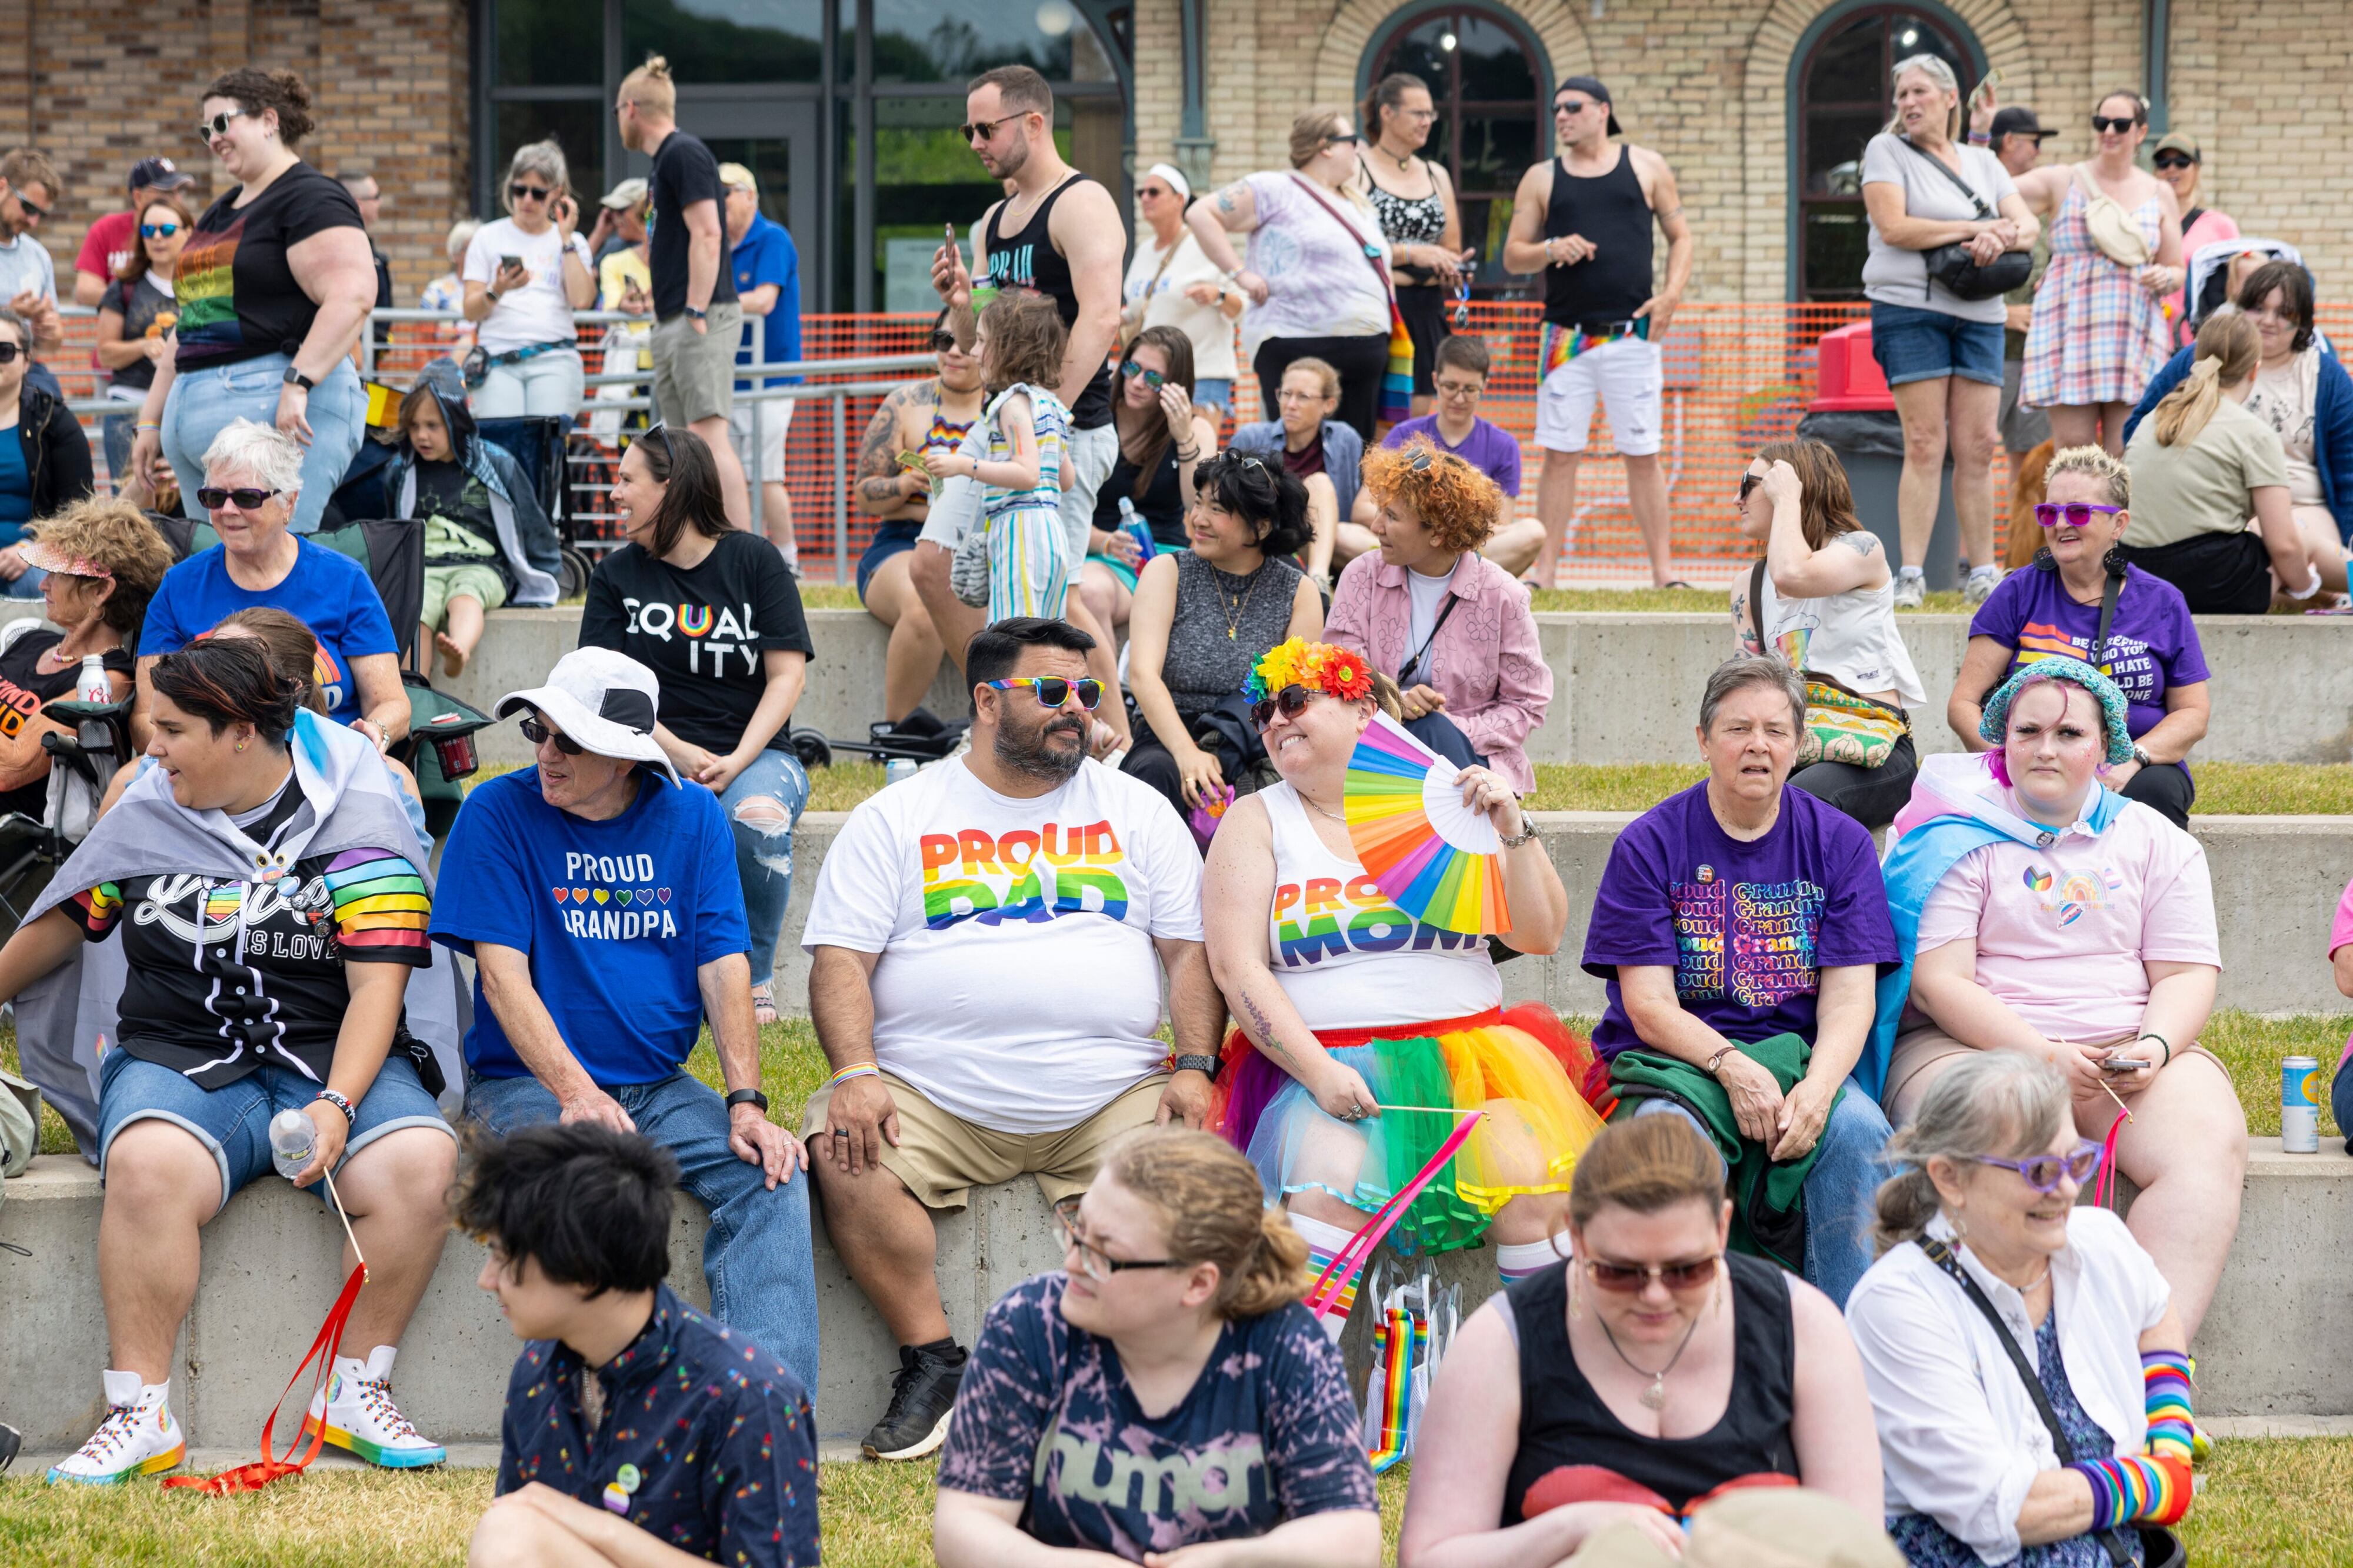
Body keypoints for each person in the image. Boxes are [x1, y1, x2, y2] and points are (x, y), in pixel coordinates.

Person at [0, 636, 453, 1482]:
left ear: (241, 731)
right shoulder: (148, 803)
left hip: (333, 1056)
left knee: (423, 1164)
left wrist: (340, 1105)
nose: (152, 746)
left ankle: (356, 1386)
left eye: (171, 729)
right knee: (145, 1167)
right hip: (180, 1053)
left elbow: (376, 994)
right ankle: (140, 1409)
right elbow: (68, 919)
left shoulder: (359, 813)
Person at [801, 616, 1219, 1460]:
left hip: (1114, 1092)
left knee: (1194, 1179)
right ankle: (933, 1361)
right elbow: (841, 960)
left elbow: (1187, 952)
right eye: (1053, 692)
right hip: (933, 1092)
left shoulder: (1138, 809)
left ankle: (1130, 1379)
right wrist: (854, 1068)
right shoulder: (899, 816)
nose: (1077, 709)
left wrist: (1198, 1064)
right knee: (841, 1146)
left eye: (1088, 692)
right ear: (988, 700)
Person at [434, 646, 817, 1393]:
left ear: (625, 754)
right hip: (528, 1085)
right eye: (538, 732)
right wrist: (577, 1093)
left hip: (658, 1083)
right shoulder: (496, 811)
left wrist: (746, 1104)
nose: (545, 753)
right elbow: (502, 978)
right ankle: (618, 1407)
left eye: (567, 741)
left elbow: (724, 963)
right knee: (588, 1181)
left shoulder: (694, 817)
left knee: (771, 1176)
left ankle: (768, 1414)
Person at [1203, 638, 1603, 1335]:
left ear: (1362, 711)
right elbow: (1238, 969)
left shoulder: (1446, 798)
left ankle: (1544, 1391)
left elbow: (1541, 934)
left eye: (1294, 700)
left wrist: (1513, 825)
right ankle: (1298, 1405)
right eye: (1265, 708)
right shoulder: (1259, 818)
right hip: (1319, 1063)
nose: (1273, 720)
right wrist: (1319, 1072)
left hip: (1477, 1063)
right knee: (1327, 1189)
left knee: (1536, 1185)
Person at [1875, 657, 2243, 1341]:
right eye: (2029, 730)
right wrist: (2041, 1054)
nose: (2046, 747)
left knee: (2205, 1143)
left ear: (2104, 748)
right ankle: (2035, 1364)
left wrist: (2155, 1046)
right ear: (2001, 740)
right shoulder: (1955, 835)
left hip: (2126, 1047)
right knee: (2022, 1143)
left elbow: (2185, 972)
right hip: (1974, 1047)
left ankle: (2151, 1365)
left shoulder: (2154, 839)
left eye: (2069, 733)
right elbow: (1940, 981)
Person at [1398, 1115, 1883, 1564]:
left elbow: (1855, 1547)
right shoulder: (1503, 1343)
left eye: (1686, 1270)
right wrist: (1571, 1527)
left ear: (1720, 1231)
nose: (1654, 1295)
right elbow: (1429, 1557)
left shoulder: (1802, 1327)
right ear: (1578, 1238)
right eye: (1618, 1271)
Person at [1582, 655, 1898, 1307]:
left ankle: (1845, 1351)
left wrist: (1816, 1092)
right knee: (1673, 1141)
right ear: (1703, 740)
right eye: (1737, 729)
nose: (1758, 744)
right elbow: (1647, 1005)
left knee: (1860, 1133)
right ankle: (1686, 1330)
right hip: (1681, 1058)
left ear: (1798, 745)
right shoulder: (1648, 843)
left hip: (1800, 1059)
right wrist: (1727, 1064)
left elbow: (1849, 999)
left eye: (1776, 730)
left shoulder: (1840, 842)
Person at [934, 1126, 1381, 1566]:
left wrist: (1228, 1560)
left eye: (1104, 1253)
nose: (1071, 1261)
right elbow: (965, 1528)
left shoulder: (1283, 1344)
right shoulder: (1030, 1326)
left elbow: (1351, 1540)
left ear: (1197, 1283)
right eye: (1076, 1227)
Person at [1847, 1053, 2198, 1565]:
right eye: (2038, 1170)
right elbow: (2003, 1509)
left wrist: (2171, 1439)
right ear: (1951, 1179)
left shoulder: (2100, 1242)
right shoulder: (1896, 1307)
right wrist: (2155, 1483)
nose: (2067, 1189)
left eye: (2075, 1161)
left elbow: (2156, 1316)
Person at [461, 1123, 818, 1567]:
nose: (486, 1281)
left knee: (511, 1536)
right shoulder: (539, 1370)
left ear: (583, 1266)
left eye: (504, 1257)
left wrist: (602, 1529)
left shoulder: (749, 1397)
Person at [581, 424, 811, 1025]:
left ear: (672, 486)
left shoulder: (755, 560)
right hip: (645, 747)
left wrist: (737, 760)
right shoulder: (615, 577)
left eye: (628, 479)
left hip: (756, 751)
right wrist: (677, 750)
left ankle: (753, 976)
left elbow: (786, 677)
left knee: (755, 815)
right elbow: (605, 686)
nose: (615, 493)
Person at [925, 65, 1128, 727]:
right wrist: (959, 302)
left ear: (1033, 123)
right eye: (968, 130)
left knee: (1056, 596)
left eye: (986, 128)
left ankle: (1113, 736)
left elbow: (1102, 318)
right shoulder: (992, 221)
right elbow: (979, 334)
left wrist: (1047, 421)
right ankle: (1005, 712)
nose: (975, 141)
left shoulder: (1081, 203)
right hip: (1001, 424)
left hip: (1066, 428)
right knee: (936, 565)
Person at [129, 69, 376, 538]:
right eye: (206, 131)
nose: (213, 140)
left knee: (271, 568)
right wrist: (150, 422)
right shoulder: (220, 211)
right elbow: (191, 323)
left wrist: (299, 382)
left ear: (269, 120)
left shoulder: (310, 197)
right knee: (220, 581)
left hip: (276, 406)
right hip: (199, 410)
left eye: (222, 123)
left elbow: (353, 294)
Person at [1859, 56, 2040, 609]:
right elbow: (1895, 227)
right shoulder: (1885, 151)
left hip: (1981, 313)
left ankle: (1983, 572)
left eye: (1919, 93)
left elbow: (2028, 225)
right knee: (1924, 442)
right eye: (1901, 96)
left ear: (1949, 99)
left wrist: (2003, 237)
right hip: (1910, 309)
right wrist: (1978, 228)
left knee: (1979, 446)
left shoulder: (1983, 161)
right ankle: (1910, 573)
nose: (1908, 103)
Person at [1949, 445, 2210, 829]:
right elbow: (1964, 704)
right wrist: (2009, 763)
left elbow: (2193, 713)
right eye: (2049, 512)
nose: (2060, 524)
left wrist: (2133, 758)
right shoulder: (2016, 593)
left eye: (2077, 512)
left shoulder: (2162, 601)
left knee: (2156, 791)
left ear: (2118, 524)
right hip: (2038, 758)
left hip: (2131, 766)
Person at [1504, 77, 1695, 589]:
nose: (1562, 116)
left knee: (1643, 452)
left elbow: (1681, 237)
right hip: (1566, 337)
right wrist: (1550, 248)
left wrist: (1672, 295)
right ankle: (1544, 574)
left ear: (1602, 111)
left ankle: (1664, 573)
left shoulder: (1646, 166)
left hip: (1632, 334)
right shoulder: (1542, 178)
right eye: (1557, 110)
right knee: (1560, 454)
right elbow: (1512, 253)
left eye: (1573, 107)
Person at [135, 420, 408, 752]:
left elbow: (392, 704)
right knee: (124, 784)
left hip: (327, 759)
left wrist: (376, 731)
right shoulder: (179, 587)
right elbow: (144, 716)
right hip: (210, 769)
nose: (227, 510)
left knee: (401, 781)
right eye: (215, 497)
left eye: (247, 497)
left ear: (289, 503)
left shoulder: (344, 581)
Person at [1329, 438, 1551, 789]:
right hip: (1373, 742)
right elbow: (1337, 672)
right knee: (1425, 731)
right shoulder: (1361, 576)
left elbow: (1525, 706)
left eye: (1391, 516)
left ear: (1437, 532)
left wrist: (1451, 726)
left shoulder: (1503, 595)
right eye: (1379, 511)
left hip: (1471, 757)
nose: (1376, 527)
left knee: (1435, 730)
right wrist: (1398, 702)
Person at [1728, 440, 1927, 829]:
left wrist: (1788, 499)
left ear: (1792, 487)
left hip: (1873, 753)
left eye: (1749, 484)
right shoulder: (1748, 586)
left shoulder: (1862, 550)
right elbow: (1744, 687)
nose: (1737, 498)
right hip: (1792, 749)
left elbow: (1794, 575)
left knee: (1795, 807)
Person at [2128, 259, 2353, 592]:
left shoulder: (2327, 377)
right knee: (2277, 544)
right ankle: (2312, 590)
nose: (2268, 321)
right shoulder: (2203, 358)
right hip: (2219, 511)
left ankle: (2316, 588)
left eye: (2284, 313)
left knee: (2291, 536)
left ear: (2303, 323)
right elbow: (2141, 427)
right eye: (2258, 308)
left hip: (2301, 506)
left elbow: (2348, 470)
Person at [1122, 448, 1321, 818]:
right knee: (1155, 773)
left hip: (1255, 732)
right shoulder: (1168, 572)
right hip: (1170, 733)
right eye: (1199, 504)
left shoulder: (1297, 591)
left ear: (1260, 526)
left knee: (1286, 783)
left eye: (1217, 509)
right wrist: (1187, 753)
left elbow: (1293, 693)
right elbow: (1142, 676)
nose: (1199, 518)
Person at [1189, 108, 1399, 445]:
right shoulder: (1275, 187)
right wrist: (1240, 275)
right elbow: (1201, 213)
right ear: (1326, 146)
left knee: (1354, 461)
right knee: (1293, 462)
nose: (1359, 150)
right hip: (1295, 339)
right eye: (1352, 142)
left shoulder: (1356, 201)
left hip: (1364, 349)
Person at [615, 55, 754, 532]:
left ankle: (744, 559)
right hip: (675, 317)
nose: (617, 121)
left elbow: (709, 234)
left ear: (631, 108)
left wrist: (695, 308)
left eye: (617, 111)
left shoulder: (683, 153)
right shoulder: (664, 164)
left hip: (702, 315)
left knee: (709, 438)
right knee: (683, 448)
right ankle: (696, 550)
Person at [2121, 308, 2327, 611]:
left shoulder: (2154, 419)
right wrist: (2305, 587)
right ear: (2254, 370)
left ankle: (2329, 594)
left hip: (2135, 575)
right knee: (2297, 540)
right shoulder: (2254, 433)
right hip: (2206, 583)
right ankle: (2332, 594)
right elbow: (2284, 545)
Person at [2015, 92, 2186, 456]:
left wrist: (2165, 278)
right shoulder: (2063, 180)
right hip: (2071, 328)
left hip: (2132, 331)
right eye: (2101, 123)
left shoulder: (2159, 193)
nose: (2109, 131)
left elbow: (2177, 269)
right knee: (2074, 451)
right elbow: (1994, 189)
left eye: (2120, 125)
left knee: (2126, 449)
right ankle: (2077, 515)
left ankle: (2120, 517)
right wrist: (1981, 135)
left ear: (2140, 133)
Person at [381, 362, 564, 678]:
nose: (421, 436)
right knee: (416, 610)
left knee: (468, 594)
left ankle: (459, 648)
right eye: (414, 426)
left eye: (433, 426)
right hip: (425, 568)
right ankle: (416, 686)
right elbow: (394, 526)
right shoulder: (401, 470)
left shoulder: (497, 463)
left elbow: (531, 520)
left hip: (483, 566)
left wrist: (545, 568)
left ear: (458, 421)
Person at [0, 500, 170, 818]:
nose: (42, 584)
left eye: (57, 574)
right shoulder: (32, 641)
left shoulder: (107, 681)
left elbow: (10, 767)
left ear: (100, 591)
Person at [852, 309, 982, 725]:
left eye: (965, 342)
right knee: (926, 602)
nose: (954, 352)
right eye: (944, 341)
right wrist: (906, 486)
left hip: (983, 547)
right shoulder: (905, 404)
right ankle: (895, 736)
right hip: (902, 543)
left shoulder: (1007, 408)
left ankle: (995, 729)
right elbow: (864, 495)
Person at [925, 289, 1075, 625]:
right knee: (1046, 632)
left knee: (1011, 631)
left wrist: (963, 465)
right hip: (1051, 532)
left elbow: (1027, 474)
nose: (973, 351)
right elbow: (1065, 480)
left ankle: (1014, 680)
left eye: (980, 341)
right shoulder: (1050, 404)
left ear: (1008, 349)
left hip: (1021, 532)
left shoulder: (1012, 404)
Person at [1076, 324, 1219, 633]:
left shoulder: (1197, 430)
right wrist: (1105, 541)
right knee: (1089, 591)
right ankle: (1104, 683)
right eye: (1132, 368)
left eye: (1154, 378)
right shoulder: (1095, 419)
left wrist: (1182, 438)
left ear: (1175, 385)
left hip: (1163, 554)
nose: (1138, 383)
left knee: (1093, 591)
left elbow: (1195, 506)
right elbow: (1065, 507)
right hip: (1099, 550)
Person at [1377, 335, 1548, 575]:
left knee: (1533, 532)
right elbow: (1364, 507)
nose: (1459, 398)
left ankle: (1442, 571)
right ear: (1436, 381)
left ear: (1484, 386)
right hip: (1408, 543)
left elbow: (1498, 525)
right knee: (1345, 534)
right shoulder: (1403, 434)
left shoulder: (1504, 445)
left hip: (1468, 548)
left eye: (1470, 390)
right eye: (1451, 387)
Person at [1359, 72, 1472, 417]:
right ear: (1387, 113)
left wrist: (1452, 266)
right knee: (1378, 419)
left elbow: (1451, 246)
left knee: (1418, 422)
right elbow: (1348, 246)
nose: (1427, 122)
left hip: (1426, 307)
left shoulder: (1436, 173)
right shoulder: (1358, 169)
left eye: (1430, 115)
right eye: (1418, 113)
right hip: (1379, 304)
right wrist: (1412, 253)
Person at [462, 139, 594, 420]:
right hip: (497, 360)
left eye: (538, 193)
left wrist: (566, 239)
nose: (527, 201)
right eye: (520, 190)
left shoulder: (573, 241)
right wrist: (498, 289)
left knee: (545, 451)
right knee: (501, 452)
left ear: (557, 194)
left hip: (554, 358)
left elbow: (582, 300)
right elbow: (470, 310)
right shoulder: (488, 236)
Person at [721, 162, 802, 569]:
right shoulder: (715, 242)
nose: (720, 201)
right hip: (731, 378)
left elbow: (764, 300)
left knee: (765, 472)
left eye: (728, 192)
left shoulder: (773, 238)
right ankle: (736, 559)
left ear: (750, 196)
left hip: (772, 379)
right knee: (728, 473)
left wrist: (709, 307)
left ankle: (787, 561)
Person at [1121, 162, 1243, 422]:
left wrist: (1218, 296)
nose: (1145, 198)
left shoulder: (1204, 244)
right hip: (1152, 378)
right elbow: (1137, 312)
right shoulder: (1143, 251)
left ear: (1179, 199)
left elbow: (1242, 305)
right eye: (1141, 192)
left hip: (1201, 375)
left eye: (1154, 192)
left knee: (1198, 458)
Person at [1231, 356, 1368, 584]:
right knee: (1320, 484)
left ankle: (1319, 581)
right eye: (1286, 394)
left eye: (1303, 397)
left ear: (1329, 405)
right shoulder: (1251, 438)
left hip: (1325, 543)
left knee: (1341, 521)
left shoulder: (1345, 439)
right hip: (1273, 539)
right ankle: (1319, 582)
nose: (1290, 404)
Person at [94, 192, 193, 486]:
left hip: (184, 408)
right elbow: (105, 353)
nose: (158, 238)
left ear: (189, 232)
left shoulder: (202, 288)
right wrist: (142, 346)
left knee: (185, 500)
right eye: (149, 231)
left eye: (168, 230)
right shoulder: (124, 288)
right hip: (130, 408)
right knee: (132, 503)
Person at [0, 306, 94, 598]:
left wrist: (31, 549)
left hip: (33, 558)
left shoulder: (54, 421)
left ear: (28, 360)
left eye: (4, 351)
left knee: (44, 586)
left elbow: (78, 511)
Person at [1980, 105, 2055, 463]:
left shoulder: (2040, 205)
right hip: (1986, 352)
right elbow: (1955, 272)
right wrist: (2003, 314)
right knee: (1968, 452)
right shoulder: (1976, 201)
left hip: (2034, 353)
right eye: (2034, 142)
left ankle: (2021, 524)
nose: (2039, 152)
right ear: (2009, 142)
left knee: (2030, 462)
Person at [72, 156, 195, 309]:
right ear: (138, 197)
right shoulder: (106, 228)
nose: (177, 200)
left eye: (179, 192)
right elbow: (85, 291)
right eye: (167, 193)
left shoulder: (189, 229)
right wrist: (141, 303)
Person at [2150, 131, 2236, 350]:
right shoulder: (2143, 223)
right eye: (2164, 162)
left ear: (2196, 169)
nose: (2172, 169)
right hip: (2149, 339)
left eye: (2182, 162)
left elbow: (2236, 288)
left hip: (2196, 342)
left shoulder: (2220, 226)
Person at [0, 149, 64, 385]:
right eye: (28, 208)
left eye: (41, 214)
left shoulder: (38, 255)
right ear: (2, 187)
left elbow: (54, 342)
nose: (33, 221)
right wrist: (9, 316)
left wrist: (48, 330)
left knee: (58, 412)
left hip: (26, 376)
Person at [335, 171, 394, 331]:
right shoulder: (339, 251)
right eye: (376, 197)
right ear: (358, 204)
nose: (380, 202)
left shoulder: (371, 253)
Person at [418, 218, 477, 315]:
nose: (477, 254)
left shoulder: (491, 290)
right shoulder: (437, 290)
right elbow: (424, 328)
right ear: (455, 254)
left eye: (479, 249)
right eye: (470, 249)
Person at [587, 176, 650, 267]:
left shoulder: (659, 244)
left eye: (621, 210)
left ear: (642, 209)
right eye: (612, 211)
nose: (614, 216)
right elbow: (582, 274)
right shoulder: (615, 246)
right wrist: (599, 234)